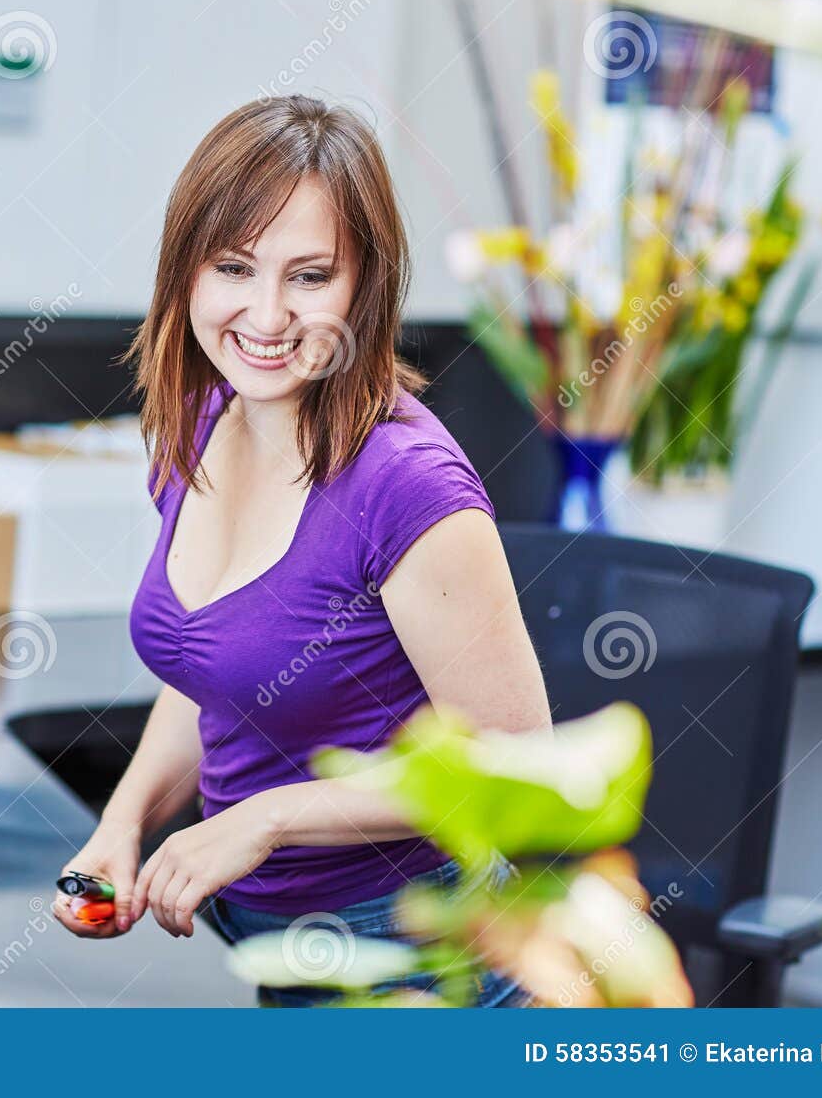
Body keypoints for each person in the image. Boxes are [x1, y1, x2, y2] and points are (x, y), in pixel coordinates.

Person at [52, 95, 552, 1007]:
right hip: (260, 941)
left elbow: (516, 769)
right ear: (185, 277)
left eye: (311, 275)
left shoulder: (406, 486)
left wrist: (266, 821)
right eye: (234, 266)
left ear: (367, 285)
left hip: (413, 959)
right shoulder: (200, 422)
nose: (268, 313)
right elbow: (216, 665)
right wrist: (122, 824)